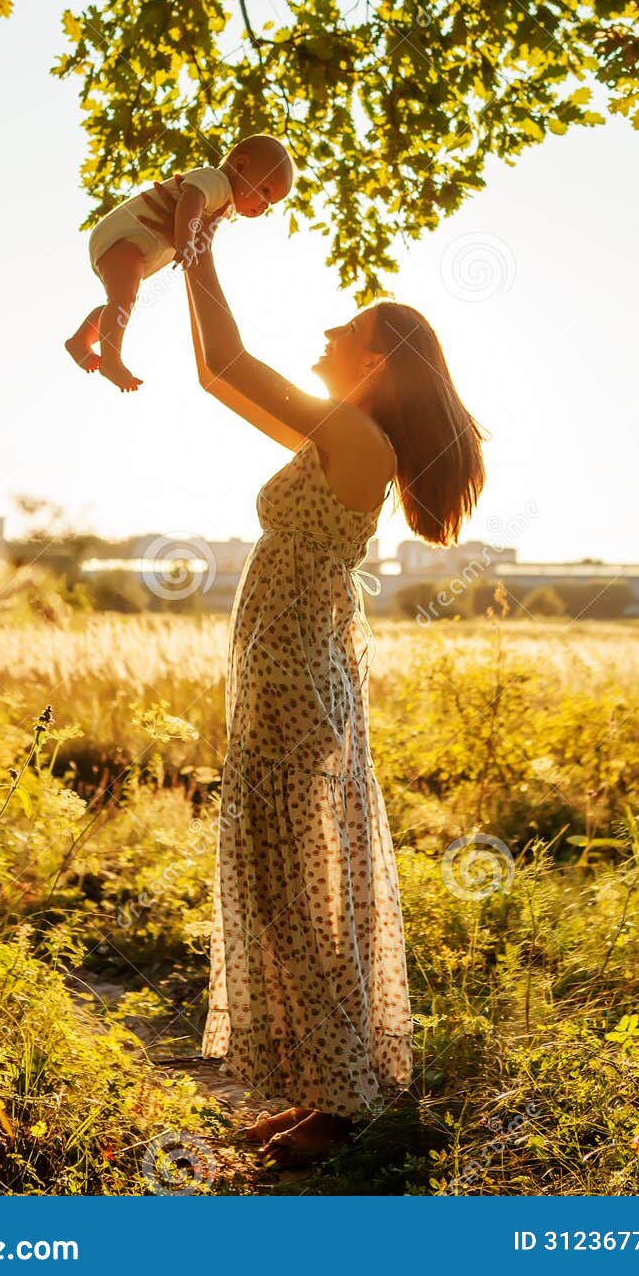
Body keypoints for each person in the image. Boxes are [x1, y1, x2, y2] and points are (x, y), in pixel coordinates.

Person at [184, 228, 485, 1166]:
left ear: (375, 361)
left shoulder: (352, 432)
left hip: (292, 686)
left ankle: (341, 1109)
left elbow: (228, 361)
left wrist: (197, 251)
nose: (327, 327)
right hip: (290, 679)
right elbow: (215, 377)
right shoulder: (345, 432)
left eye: (347, 324)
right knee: (297, 896)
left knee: (298, 901)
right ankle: (328, 1097)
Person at [65, 134, 293, 391]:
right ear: (240, 166)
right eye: (265, 191)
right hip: (126, 237)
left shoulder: (223, 203)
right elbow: (191, 199)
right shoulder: (217, 181)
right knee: (121, 302)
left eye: (271, 203)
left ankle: (81, 341)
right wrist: (186, 240)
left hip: (130, 245)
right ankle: (111, 360)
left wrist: (192, 241)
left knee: (121, 304)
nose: (264, 205)